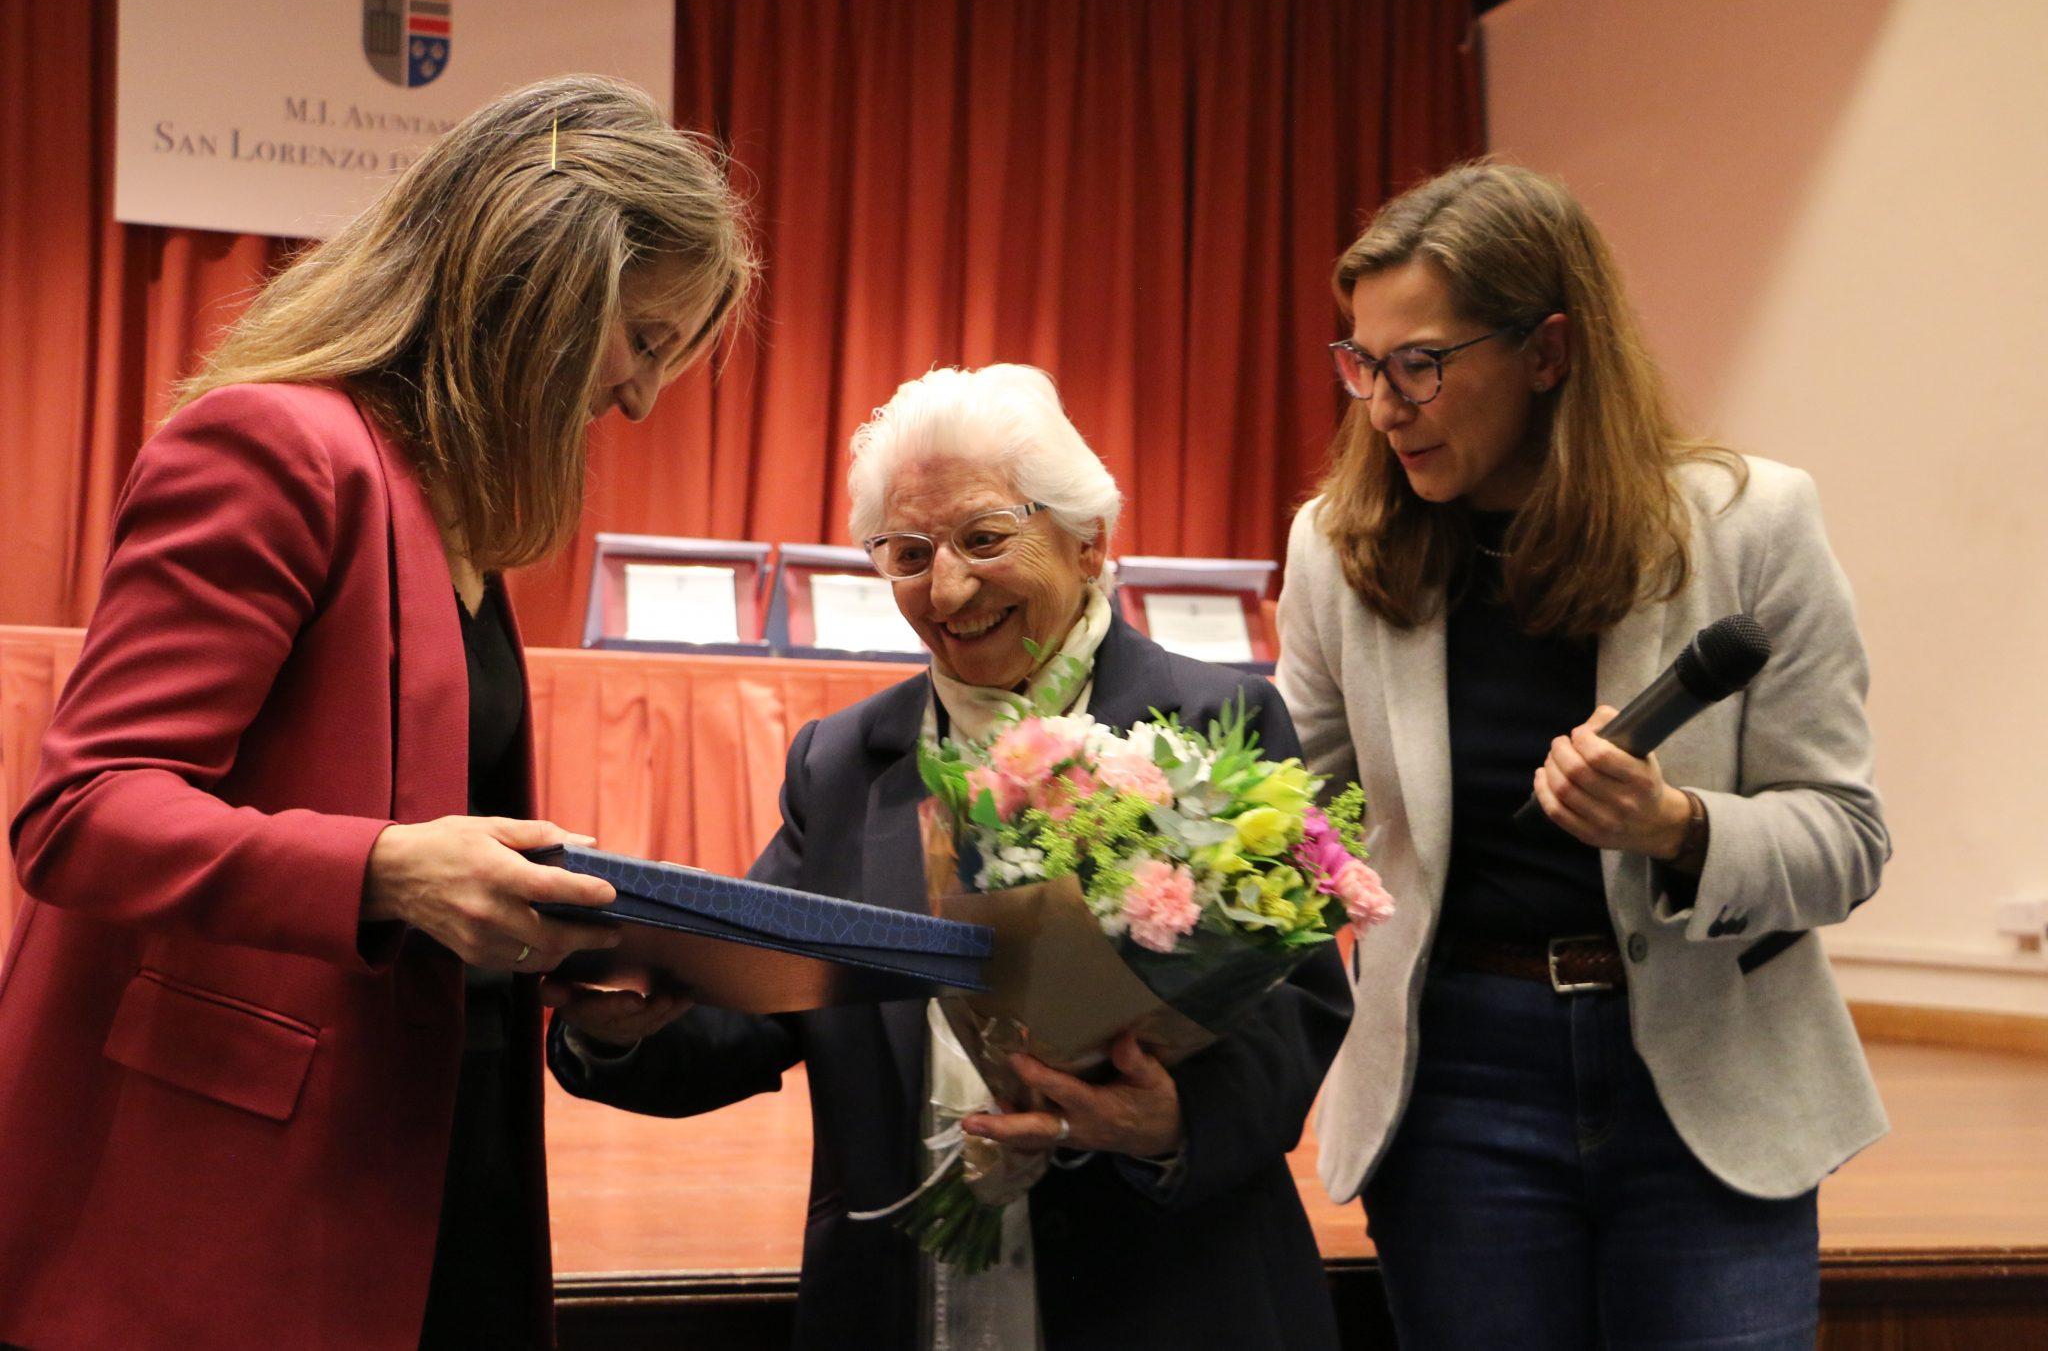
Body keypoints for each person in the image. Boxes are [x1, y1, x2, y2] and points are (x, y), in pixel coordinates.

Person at [0, 75, 755, 1349]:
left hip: (430, 1147)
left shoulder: (450, 515)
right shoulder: (275, 447)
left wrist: (569, 957)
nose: (638, 397)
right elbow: (81, 815)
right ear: (536, 286)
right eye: (643, 338)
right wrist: (390, 872)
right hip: (231, 1198)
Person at [546, 364, 1351, 1350]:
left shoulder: (1211, 719)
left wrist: (1166, 1119)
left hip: (1165, 1294)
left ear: (1089, 539)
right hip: (906, 1299)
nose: (949, 587)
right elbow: (747, 1014)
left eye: (983, 539)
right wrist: (618, 1022)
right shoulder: (844, 766)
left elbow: (1298, 1010)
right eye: (909, 553)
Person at [1278, 161, 1889, 1349]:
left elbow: (1845, 841)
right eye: (1361, 364)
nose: (1384, 405)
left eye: (1421, 363)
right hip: (1453, 1086)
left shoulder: (1750, 525)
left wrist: (1677, 828)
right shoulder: (1334, 550)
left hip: (1710, 1079)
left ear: (1548, 351)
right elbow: (1292, 826)